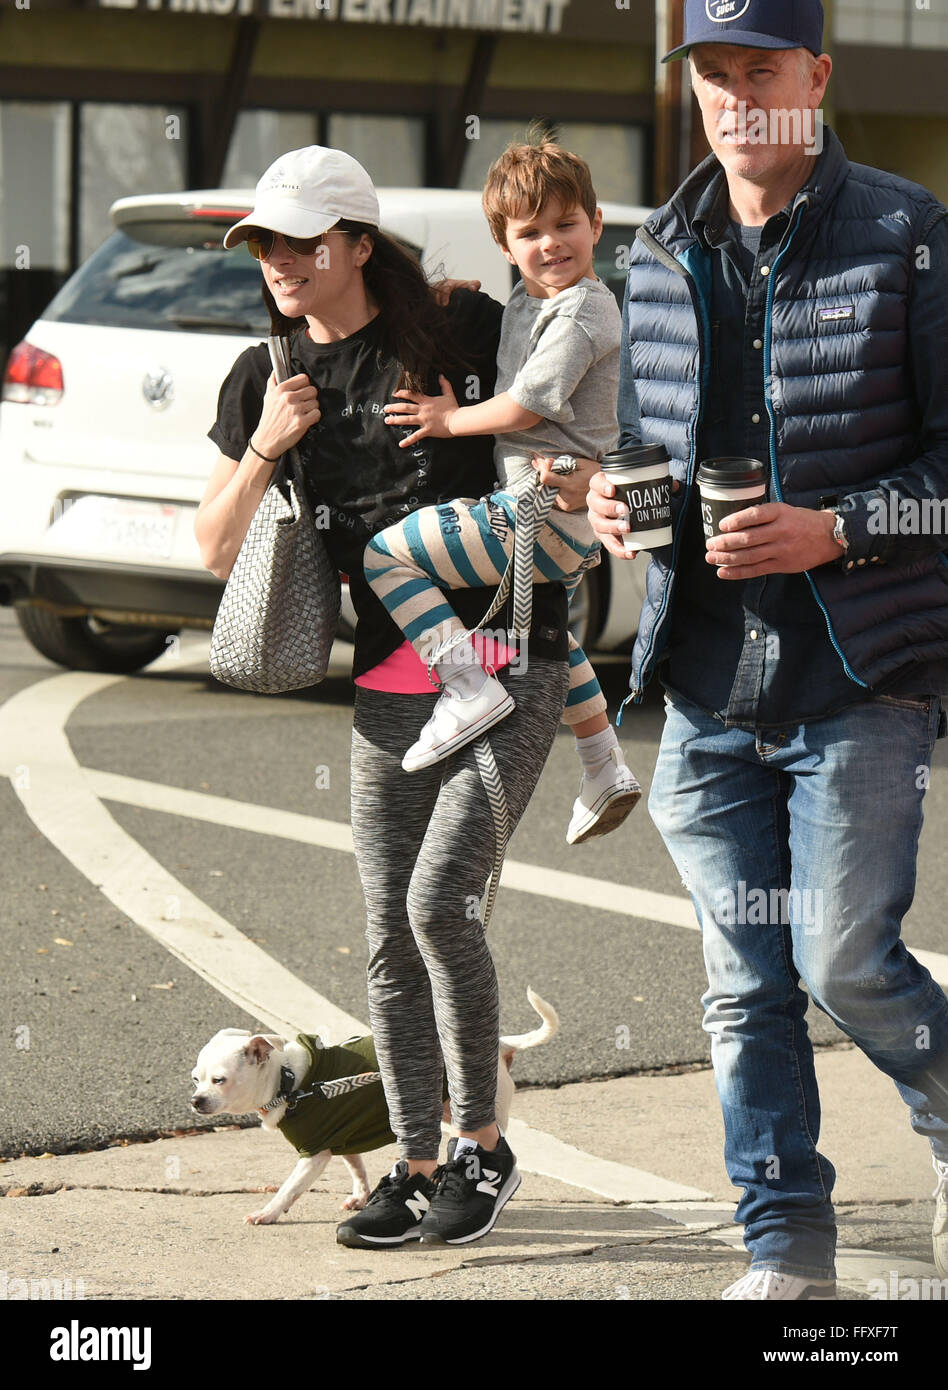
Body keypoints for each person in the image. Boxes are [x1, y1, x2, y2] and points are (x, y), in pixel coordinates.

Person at [588, 0, 948, 1299]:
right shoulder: (657, 248)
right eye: (713, 73)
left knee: (842, 958)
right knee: (744, 991)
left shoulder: (906, 233)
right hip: (701, 680)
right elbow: (642, 439)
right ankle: (786, 1247)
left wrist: (834, 530)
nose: (736, 97)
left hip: (858, 675)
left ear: (818, 75)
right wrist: (615, 501)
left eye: (761, 68)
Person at [194, 145, 583, 1247]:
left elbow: (567, 410)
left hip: (508, 656)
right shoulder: (264, 374)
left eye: (303, 242)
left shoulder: (459, 328)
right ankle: (413, 1166)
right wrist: (268, 446)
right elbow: (214, 546)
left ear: (360, 244)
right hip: (388, 682)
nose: (280, 261)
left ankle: (481, 1146)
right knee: (387, 935)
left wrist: (541, 461)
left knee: (439, 906)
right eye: (265, 245)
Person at [363, 137, 641, 846]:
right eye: (530, 233)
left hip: (539, 512)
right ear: (504, 244)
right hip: (554, 523)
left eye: (566, 224)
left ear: (596, 224)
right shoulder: (530, 299)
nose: (551, 244)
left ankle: (465, 686)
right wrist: (449, 296)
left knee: (384, 557)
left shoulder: (583, 310)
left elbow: (526, 404)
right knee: (544, 632)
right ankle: (603, 764)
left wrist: (447, 420)